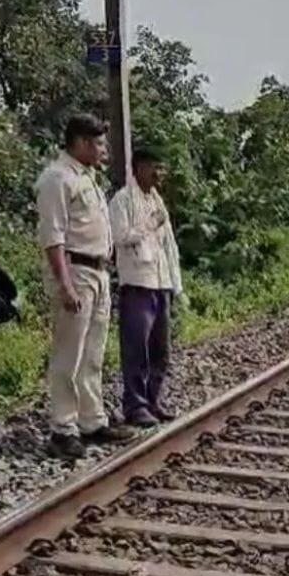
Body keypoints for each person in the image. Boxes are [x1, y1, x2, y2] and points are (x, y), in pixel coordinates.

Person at [36, 114, 137, 458]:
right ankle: (62, 428)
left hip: (98, 271)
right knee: (70, 352)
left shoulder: (88, 178)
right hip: (76, 269)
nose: (103, 150)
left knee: (93, 353)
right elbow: (53, 236)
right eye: (97, 143)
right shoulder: (57, 178)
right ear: (80, 143)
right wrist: (65, 284)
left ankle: (91, 419)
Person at [108, 147, 187, 427]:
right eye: (155, 167)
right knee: (136, 348)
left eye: (162, 168)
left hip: (160, 283)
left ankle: (153, 399)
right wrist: (149, 224)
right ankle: (135, 404)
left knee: (160, 349)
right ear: (139, 168)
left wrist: (175, 286)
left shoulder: (158, 201)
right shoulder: (123, 200)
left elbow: (169, 247)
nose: (159, 174)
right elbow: (120, 236)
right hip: (138, 284)